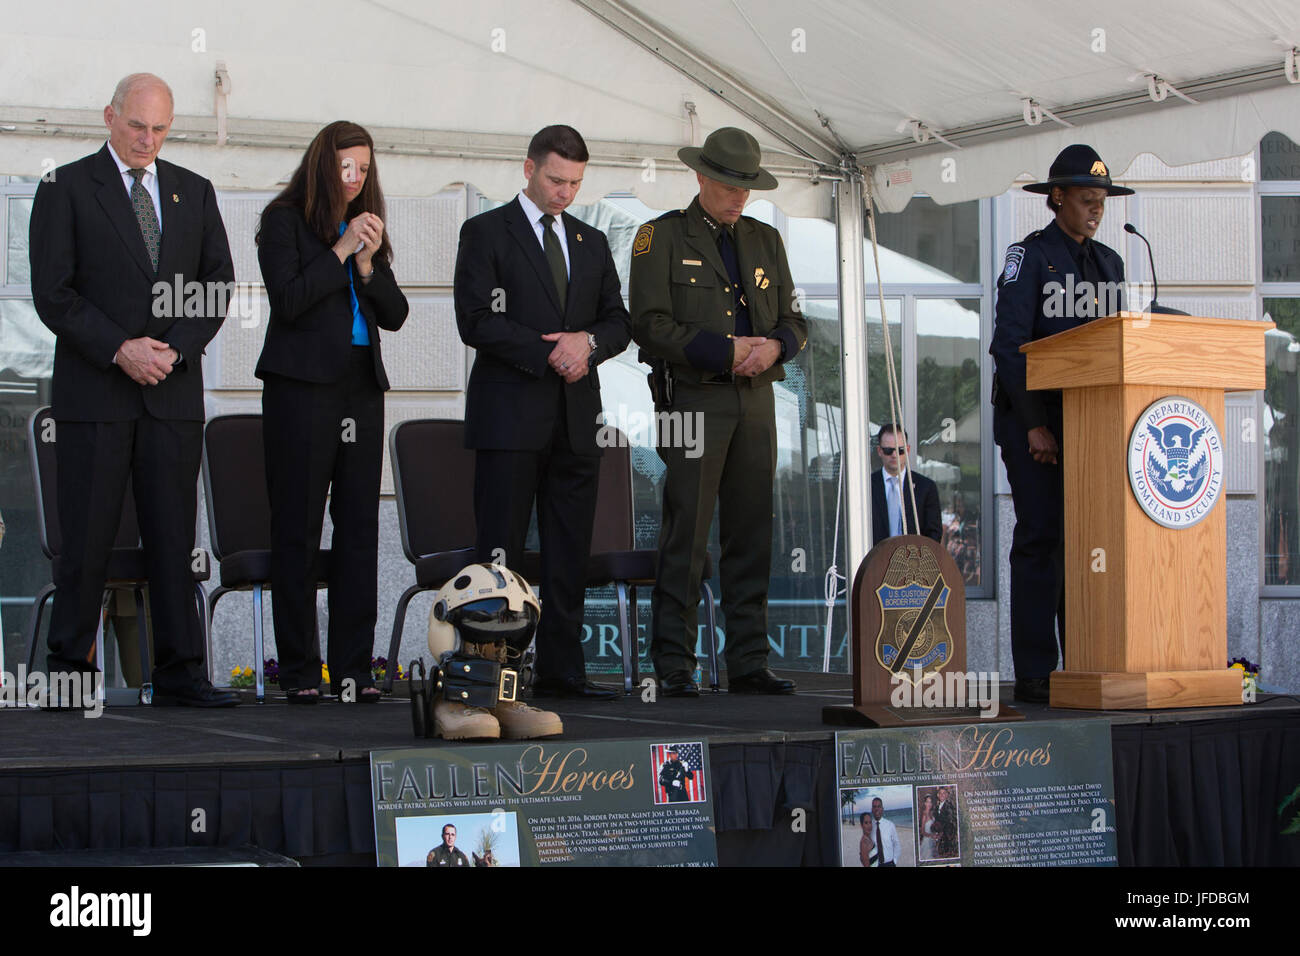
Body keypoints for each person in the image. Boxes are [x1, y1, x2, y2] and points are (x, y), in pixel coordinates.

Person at [28, 73, 237, 708]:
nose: (148, 139)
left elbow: (217, 285)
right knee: (86, 542)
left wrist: (172, 349)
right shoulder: (63, 187)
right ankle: (69, 674)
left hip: (170, 396)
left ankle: (179, 673)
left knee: (174, 541)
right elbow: (53, 293)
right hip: (95, 396)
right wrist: (121, 348)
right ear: (109, 117)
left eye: (161, 129)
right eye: (138, 125)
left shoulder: (193, 193)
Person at [453, 125, 631, 701]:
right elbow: (475, 320)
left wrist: (589, 344)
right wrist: (551, 350)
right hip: (510, 419)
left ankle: (563, 671)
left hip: (577, 421)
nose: (565, 193)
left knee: (568, 552)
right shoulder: (484, 232)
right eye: (556, 179)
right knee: (500, 551)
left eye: (576, 183)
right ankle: (490, 672)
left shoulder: (591, 242)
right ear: (527, 169)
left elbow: (618, 322)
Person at [628, 127, 807, 698]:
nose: (738, 197)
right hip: (693, 397)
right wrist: (723, 349)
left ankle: (749, 660)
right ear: (701, 177)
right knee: (687, 530)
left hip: (755, 399)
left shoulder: (764, 240)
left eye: (747, 187)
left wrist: (777, 346)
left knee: (752, 530)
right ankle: (675, 663)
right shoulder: (660, 237)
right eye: (729, 184)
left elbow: (795, 318)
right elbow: (649, 323)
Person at [255, 121, 409, 704]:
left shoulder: (368, 227)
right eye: (346, 167)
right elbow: (289, 300)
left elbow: (394, 315)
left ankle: (353, 671)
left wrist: (367, 264)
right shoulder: (284, 220)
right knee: (296, 526)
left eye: (364, 169)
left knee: (358, 530)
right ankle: (298, 670)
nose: (355, 178)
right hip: (301, 388)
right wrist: (340, 250)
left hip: (359, 385)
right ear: (323, 165)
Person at [989, 144, 1129, 704]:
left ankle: (1085, 661)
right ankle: (1037, 672)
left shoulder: (1111, 263)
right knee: (1041, 538)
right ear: (1057, 198)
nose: (1096, 210)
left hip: (1092, 426)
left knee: (1090, 544)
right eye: (1087, 200)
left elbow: (1118, 345)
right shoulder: (1027, 257)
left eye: (1102, 202)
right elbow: (1009, 346)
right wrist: (1032, 426)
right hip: (1036, 422)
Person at [870, 423, 942, 545]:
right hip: (874, 560)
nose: (894, 455)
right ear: (879, 451)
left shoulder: (925, 487)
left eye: (900, 450)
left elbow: (933, 534)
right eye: (888, 450)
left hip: (912, 561)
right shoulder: (867, 486)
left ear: (907, 450)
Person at [868, 797, 901, 867]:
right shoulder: (869, 827)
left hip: (889, 864)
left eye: (879, 806)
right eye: (874, 807)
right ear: (872, 810)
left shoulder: (890, 825)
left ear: (882, 809)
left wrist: (894, 861)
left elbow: (897, 844)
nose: (877, 809)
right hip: (874, 864)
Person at [934, 786, 958, 858]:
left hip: (948, 835)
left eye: (944, 793)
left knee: (947, 854)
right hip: (942, 835)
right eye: (940, 793)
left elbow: (949, 821)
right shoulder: (937, 806)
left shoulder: (949, 805)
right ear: (938, 795)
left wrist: (941, 832)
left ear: (947, 795)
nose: (942, 795)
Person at [917, 793, 937, 862]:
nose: (929, 804)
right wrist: (931, 835)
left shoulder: (932, 813)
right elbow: (922, 831)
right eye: (927, 802)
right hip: (927, 841)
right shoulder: (924, 815)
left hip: (932, 840)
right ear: (925, 803)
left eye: (930, 802)